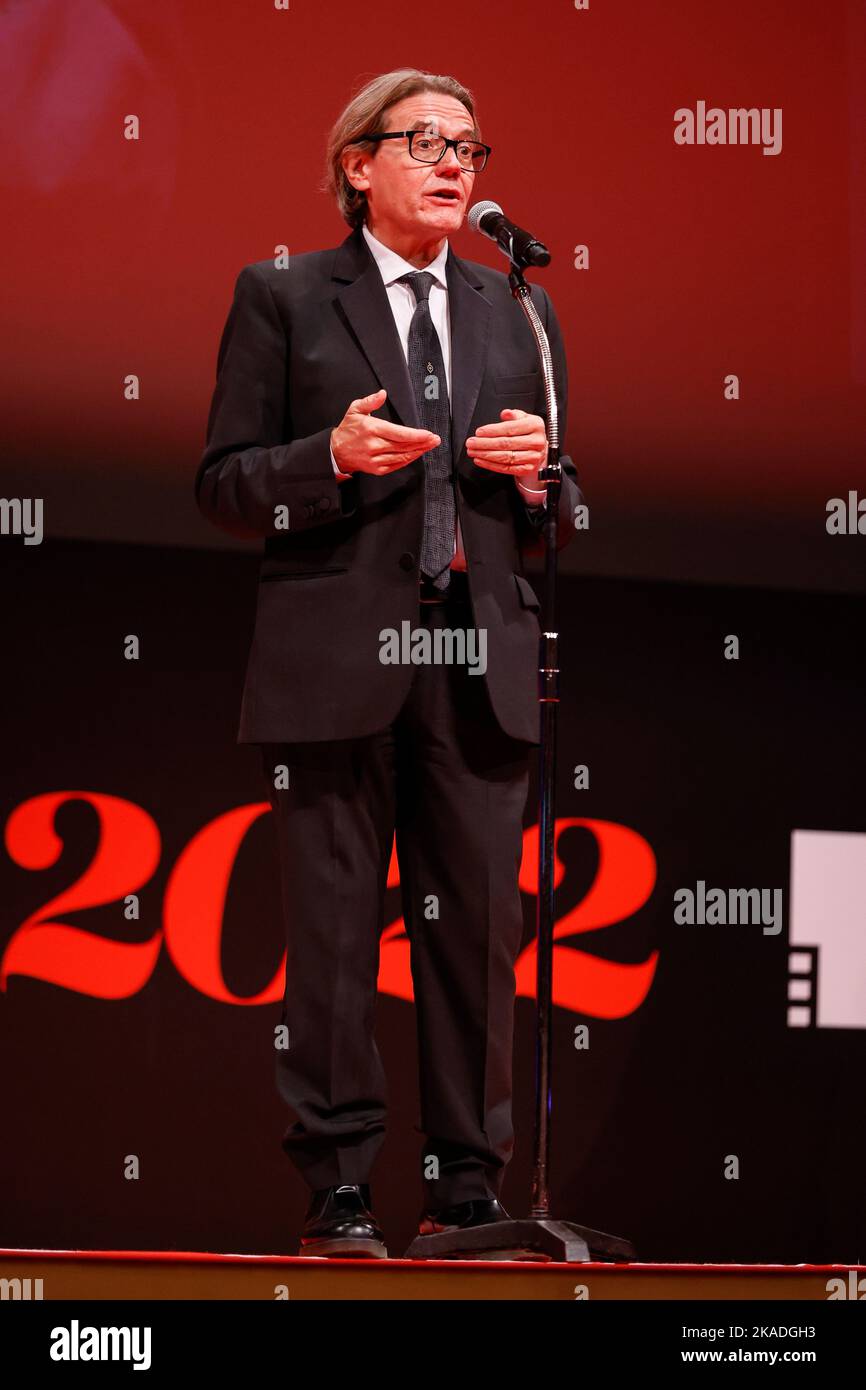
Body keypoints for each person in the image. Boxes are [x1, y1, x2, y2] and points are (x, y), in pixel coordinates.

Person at [195, 67, 583, 1258]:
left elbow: (559, 510)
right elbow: (223, 482)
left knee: (472, 939)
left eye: (469, 144)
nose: (454, 161)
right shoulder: (284, 297)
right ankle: (339, 1196)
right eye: (424, 140)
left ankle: (467, 1190)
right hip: (335, 656)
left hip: (474, 660)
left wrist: (536, 479)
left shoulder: (515, 311)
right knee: (330, 942)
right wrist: (331, 454)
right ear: (357, 164)